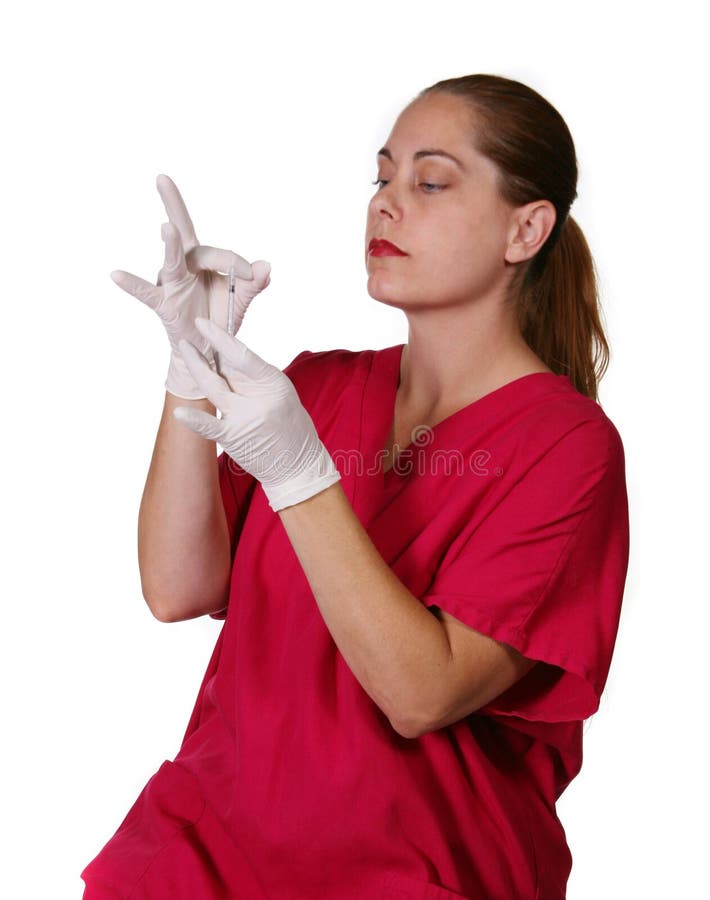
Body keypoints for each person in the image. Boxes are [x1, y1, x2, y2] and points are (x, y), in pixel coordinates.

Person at [81, 74, 630, 899]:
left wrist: (300, 477)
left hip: (413, 874)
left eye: (430, 182)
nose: (386, 204)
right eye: (382, 176)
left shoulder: (566, 448)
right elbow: (176, 586)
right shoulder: (317, 387)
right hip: (208, 855)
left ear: (527, 229)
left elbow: (423, 693)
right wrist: (191, 363)